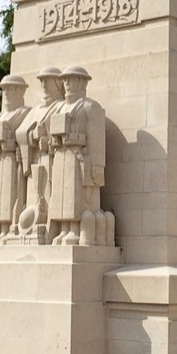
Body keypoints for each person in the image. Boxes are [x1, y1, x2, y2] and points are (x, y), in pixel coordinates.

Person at [47, 67, 110, 245]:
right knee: (61, 195)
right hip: (61, 155)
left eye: (71, 79)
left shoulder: (90, 106)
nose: (66, 83)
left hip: (79, 157)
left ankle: (75, 230)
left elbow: (97, 140)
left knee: (77, 195)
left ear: (82, 82)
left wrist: (97, 166)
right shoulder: (59, 107)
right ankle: (64, 228)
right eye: (65, 79)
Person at [9, 67, 64, 242]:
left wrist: (48, 140)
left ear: (57, 82)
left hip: (50, 159)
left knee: (47, 193)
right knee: (33, 195)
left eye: (47, 80)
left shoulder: (60, 106)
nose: (44, 84)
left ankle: (49, 227)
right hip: (33, 158)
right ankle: (29, 227)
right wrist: (32, 136)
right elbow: (20, 132)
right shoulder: (34, 110)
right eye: (41, 80)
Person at [0, 75, 30, 244]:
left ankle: (7, 230)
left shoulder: (24, 113)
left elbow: (25, 138)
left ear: (20, 91)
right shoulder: (1, 115)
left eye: (11, 89)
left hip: (12, 160)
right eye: (5, 90)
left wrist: (12, 145)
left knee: (11, 196)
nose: (7, 93)